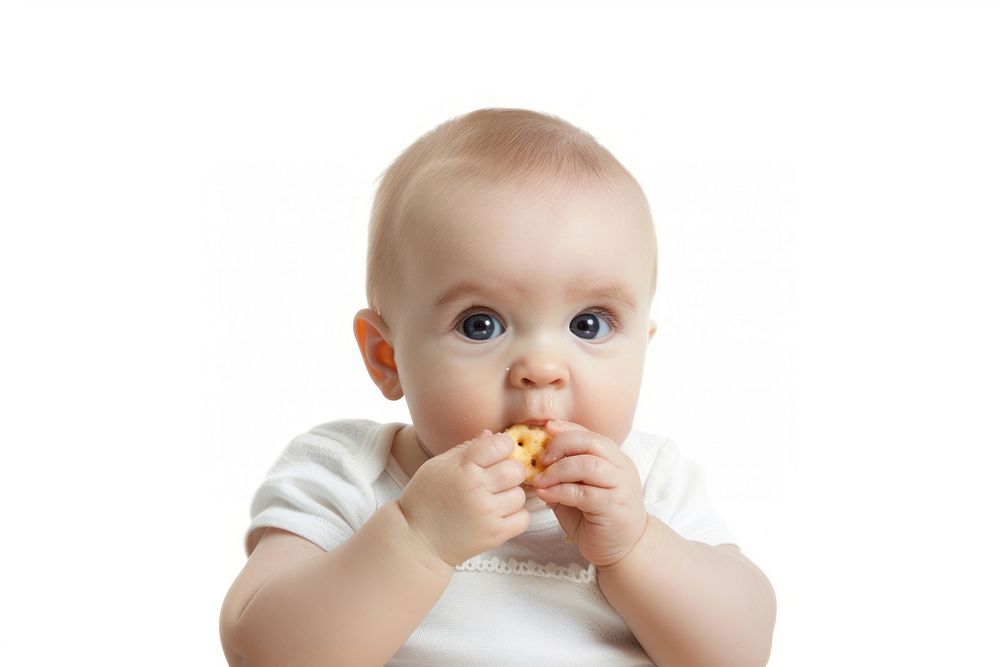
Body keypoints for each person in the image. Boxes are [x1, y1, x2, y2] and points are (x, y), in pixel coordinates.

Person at [219, 108, 777, 666]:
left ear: (644, 345)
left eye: (590, 324)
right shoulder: (347, 474)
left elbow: (741, 652)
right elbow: (260, 650)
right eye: (479, 324)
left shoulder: (653, 483)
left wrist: (637, 547)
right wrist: (416, 540)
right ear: (387, 357)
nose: (543, 368)